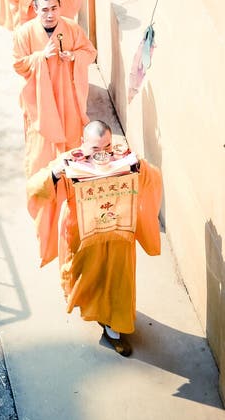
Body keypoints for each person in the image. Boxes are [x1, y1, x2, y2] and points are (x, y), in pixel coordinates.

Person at [26, 119, 162, 356]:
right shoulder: (71, 162)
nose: (102, 154)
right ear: (83, 144)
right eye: (95, 149)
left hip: (118, 235)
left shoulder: (122, 159)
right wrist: (56, 174)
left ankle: (114, 330)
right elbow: (35, 188)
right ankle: (95, 310)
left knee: (119, 282)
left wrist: (139, 165)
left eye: (107, 147)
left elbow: (153, 178)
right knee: (87, 282)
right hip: (83, 237)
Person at [13, 0, 96, 181]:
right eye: (44, 9)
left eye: (54, 8)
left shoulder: (72, 28)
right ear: (35, 9)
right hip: (40, 99)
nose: (50, 14)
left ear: (60, 7)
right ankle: (43, 183)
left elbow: (90, 52)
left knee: (72, 138)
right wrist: (40, 57)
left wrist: (74, 56)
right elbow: (18, 64)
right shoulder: (23, 33)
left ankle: (72, 179)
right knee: (41, 144)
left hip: (68, 95)